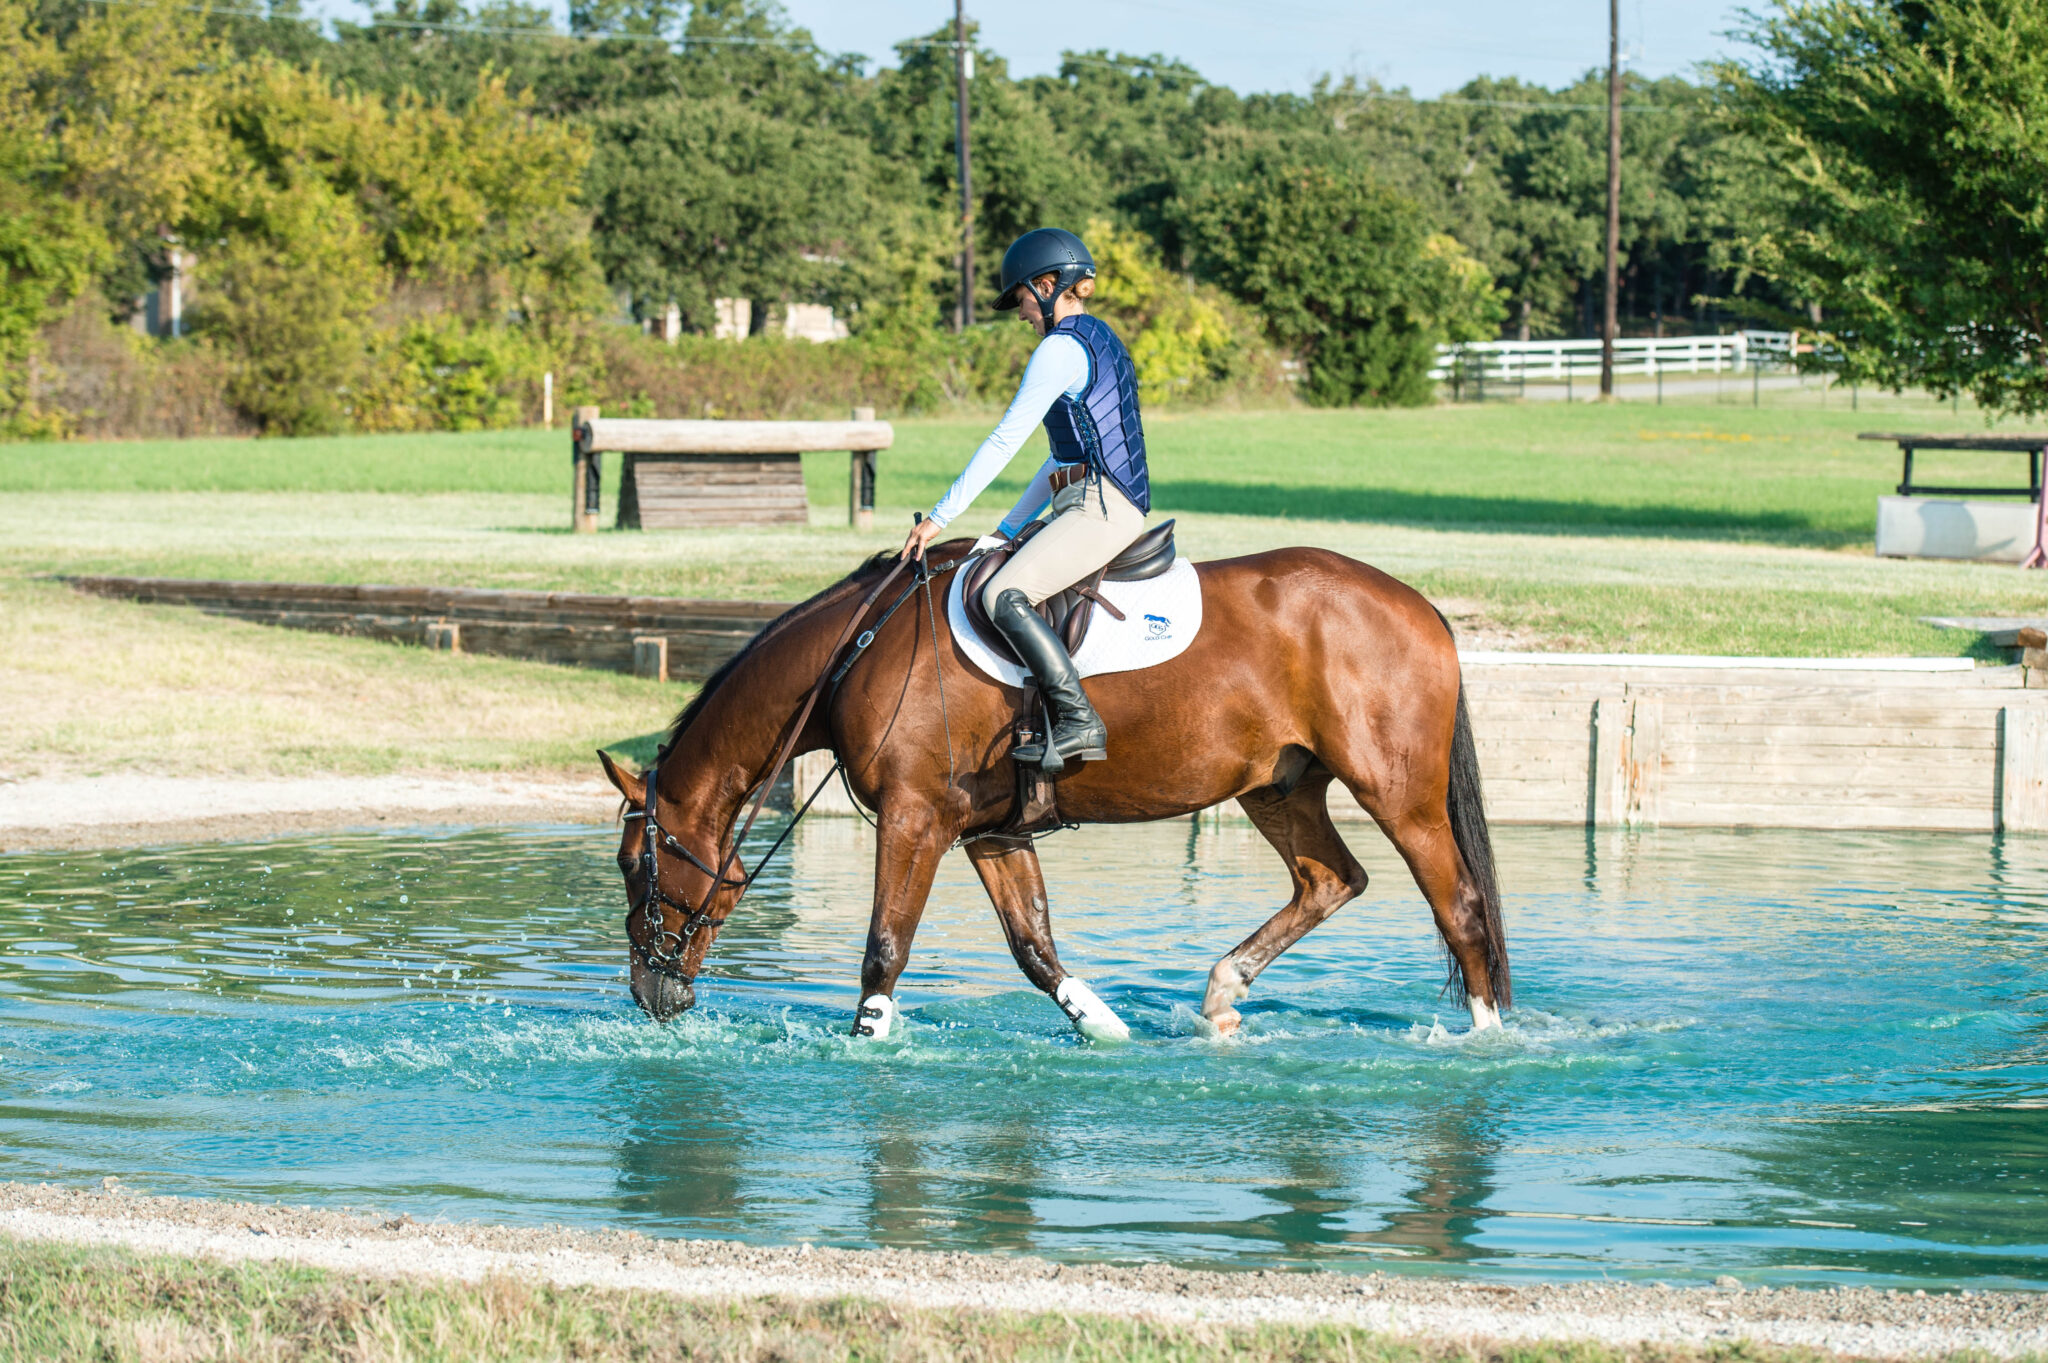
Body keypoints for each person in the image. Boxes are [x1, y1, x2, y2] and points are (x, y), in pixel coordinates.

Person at [900, 227, 1152, 770]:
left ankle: (1078, 719)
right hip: (1089, 498)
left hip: (1100, 507)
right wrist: (1006, 530)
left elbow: (1003, 441)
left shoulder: (1059, 350)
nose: (1020, 314)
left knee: (1002, 593)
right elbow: (1058, 464)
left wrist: (941, 517)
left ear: (1045, 284)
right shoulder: (1100, 339)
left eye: (1020, 300)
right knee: (1000, 567)